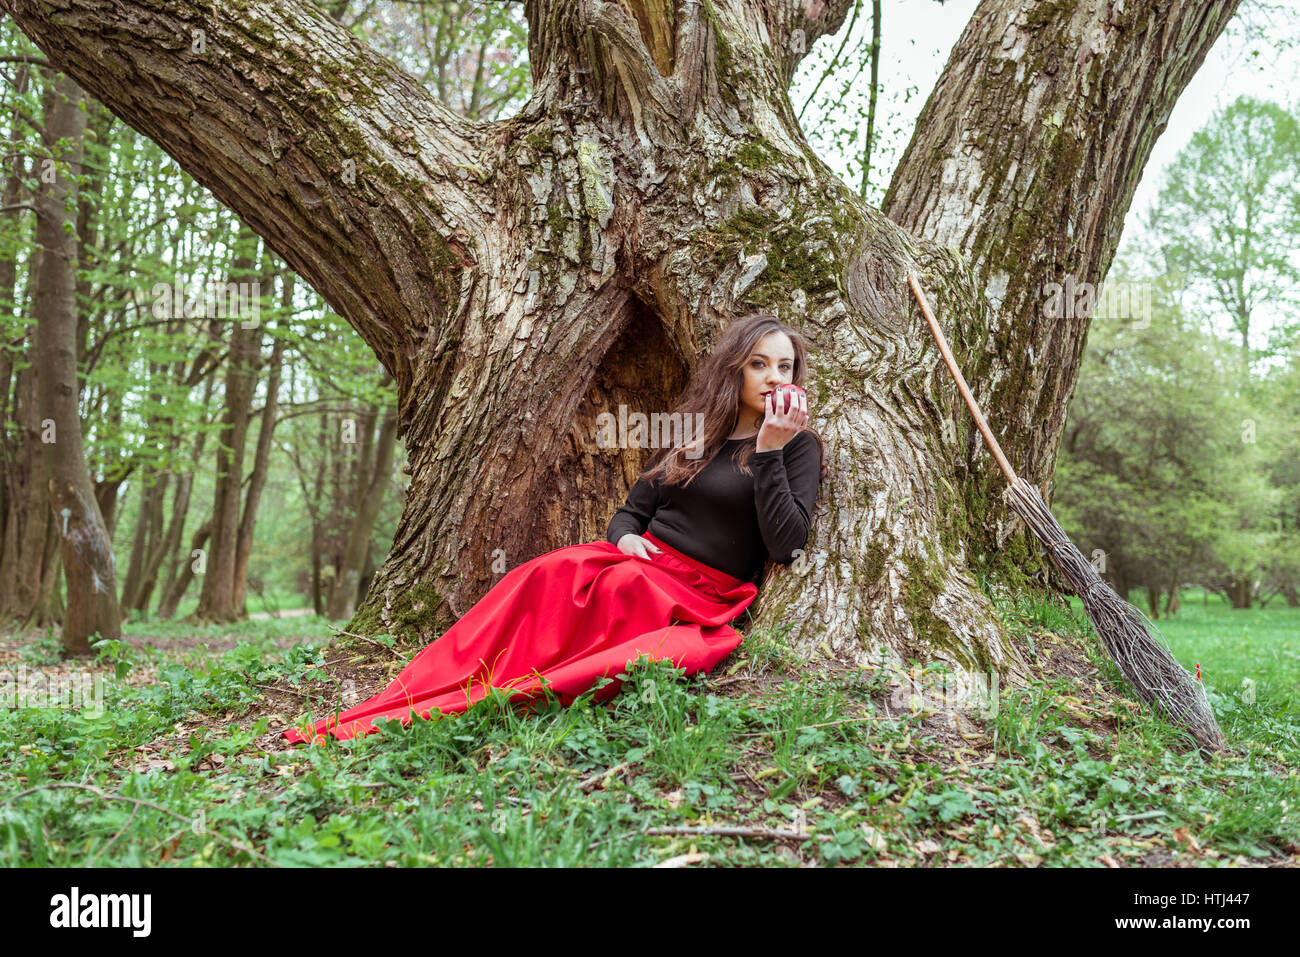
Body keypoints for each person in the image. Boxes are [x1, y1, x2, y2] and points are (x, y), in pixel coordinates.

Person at [283, 314, 824, 745]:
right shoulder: (695, 435)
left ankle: (497, 691)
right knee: (547, 571)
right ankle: (440, 681)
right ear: (734, 370)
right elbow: (631, 513)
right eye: (759, 364)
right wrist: (624, 540)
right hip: (637, 559)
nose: (775, 377)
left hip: (696, 591)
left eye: (785, 366)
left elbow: (786, 542)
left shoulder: (797, 448)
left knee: (618, 591)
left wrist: (771, 450)